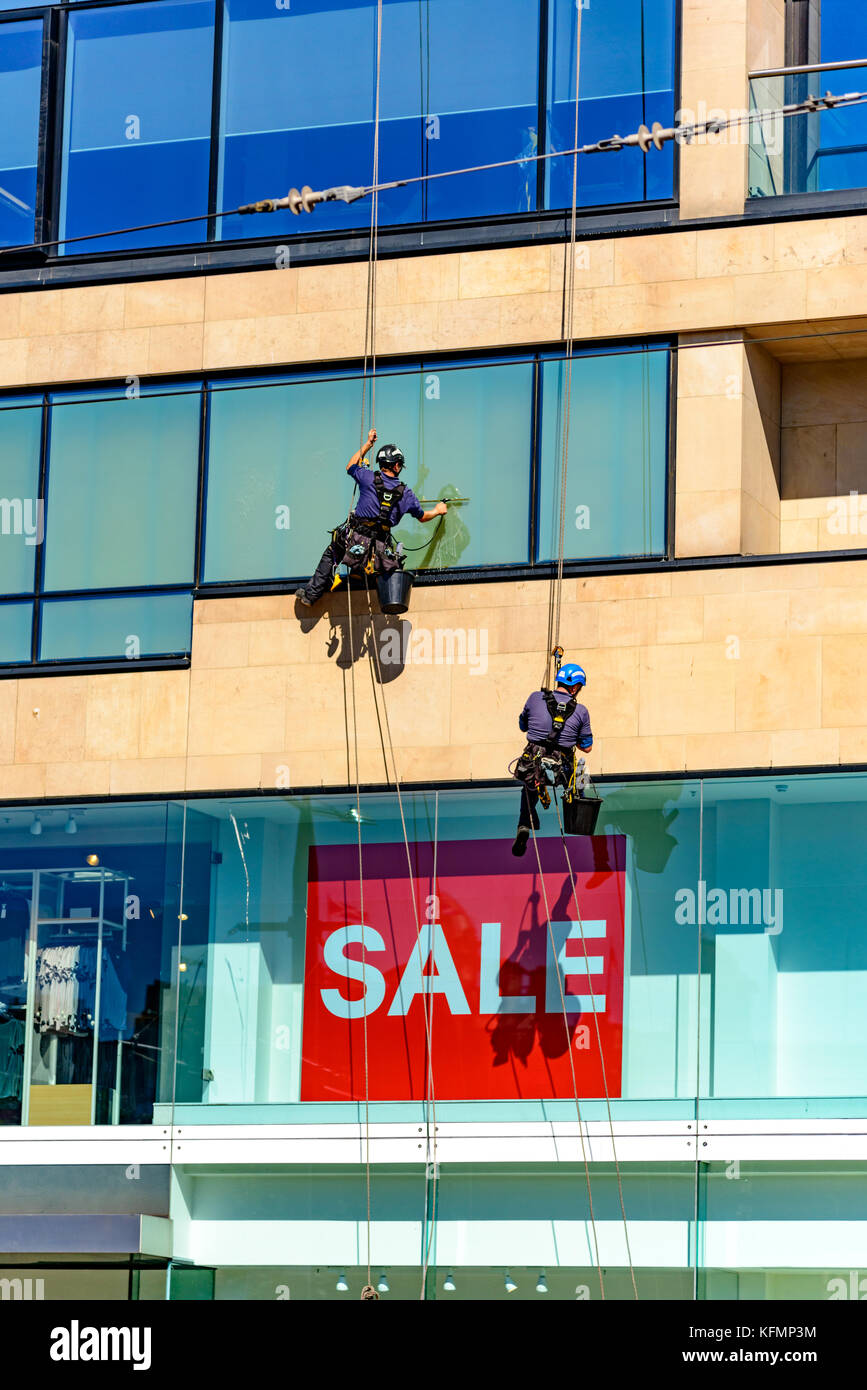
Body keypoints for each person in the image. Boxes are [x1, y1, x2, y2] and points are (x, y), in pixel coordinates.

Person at [295, 428, 448, 607]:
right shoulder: (406, 493)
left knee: (332, 552)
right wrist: (438, 510)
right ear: (397, 465)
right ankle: (388, 599)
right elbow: (422, 517)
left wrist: (368, 444)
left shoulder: (367, 478)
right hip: (380, 553)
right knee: (393, 563)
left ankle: (310, 595)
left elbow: (350, 466)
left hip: (355, 543)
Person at [511, 662, 592, 857]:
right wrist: (570, 739)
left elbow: (523, 726)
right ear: (574, 687)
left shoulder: (534, 698)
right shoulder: (581, 711)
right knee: (580, 774)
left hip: (532, 761)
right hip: (560, 768)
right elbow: (587, 747)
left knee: (529, 786)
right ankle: (577, 813)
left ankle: (524, 823)